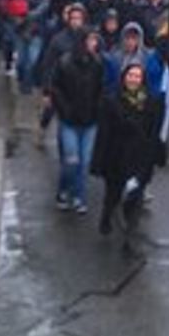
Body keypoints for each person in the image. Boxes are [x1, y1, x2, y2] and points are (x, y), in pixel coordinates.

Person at [91, 63, 164, 251]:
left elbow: (154, 132)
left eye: (137, 76)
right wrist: (98, 161)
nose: (133, 79)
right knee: (113, 193)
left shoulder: (152, 103)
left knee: (135, 198)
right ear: (124, 78)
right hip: (116, 156)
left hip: (140, 157)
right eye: (130, 75)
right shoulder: (111, 101)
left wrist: (156, 154)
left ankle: (129, 237)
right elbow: (104, 133)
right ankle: (107, 216)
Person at [51, 28, 104, 214]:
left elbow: (100, 90)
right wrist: (65, 109)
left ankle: (79, 197)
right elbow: (55, 88)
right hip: (70, 121)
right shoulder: (65, 63)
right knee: (71, 160)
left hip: (89, 121)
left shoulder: (97, 64)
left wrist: (97, 110)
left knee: (85, 161)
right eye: (91, 40)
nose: (94, 44)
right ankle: (64, 190)